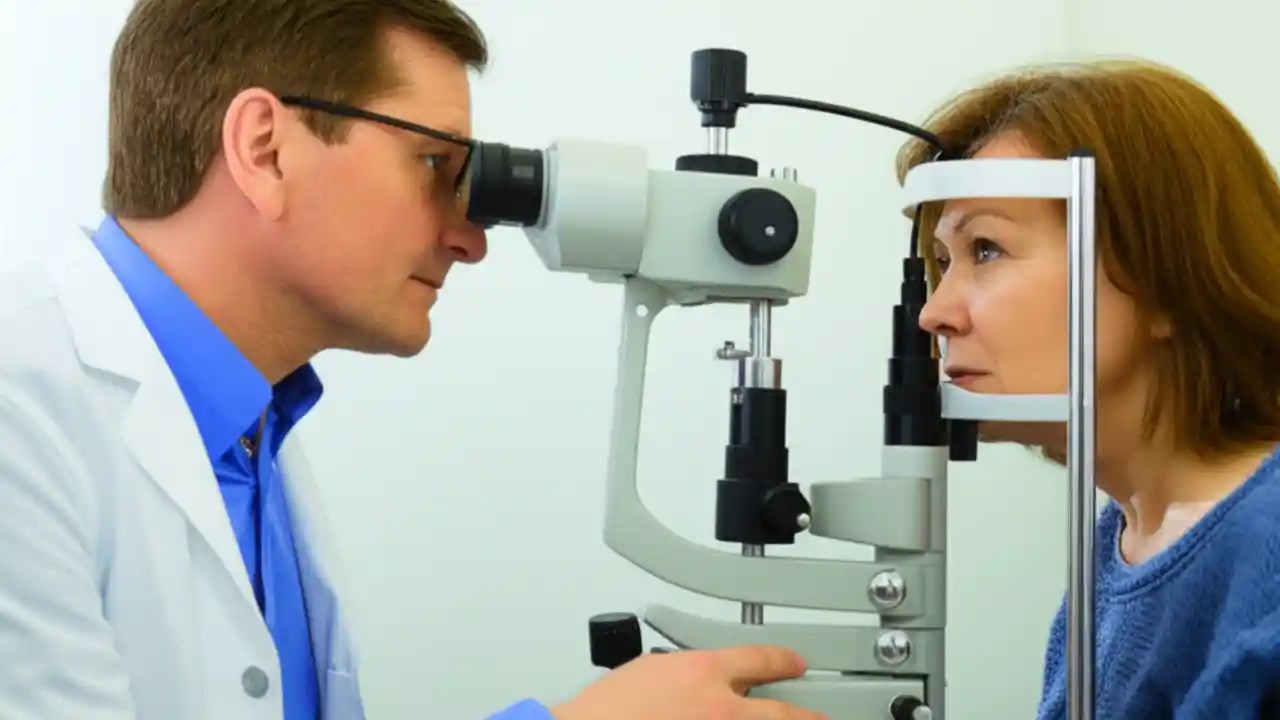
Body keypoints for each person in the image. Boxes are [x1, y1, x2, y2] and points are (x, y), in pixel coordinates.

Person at [0, 1, 827, 719]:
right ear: (264, 148)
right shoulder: (24, 414)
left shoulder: (252, 438)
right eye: (434, 165)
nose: (470, 240)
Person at [895, 58, 1280, 718]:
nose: (936, 312)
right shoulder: (1121, 542)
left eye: (986, 249)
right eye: (943, 262)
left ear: (1162, 276)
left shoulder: (1263, 551)